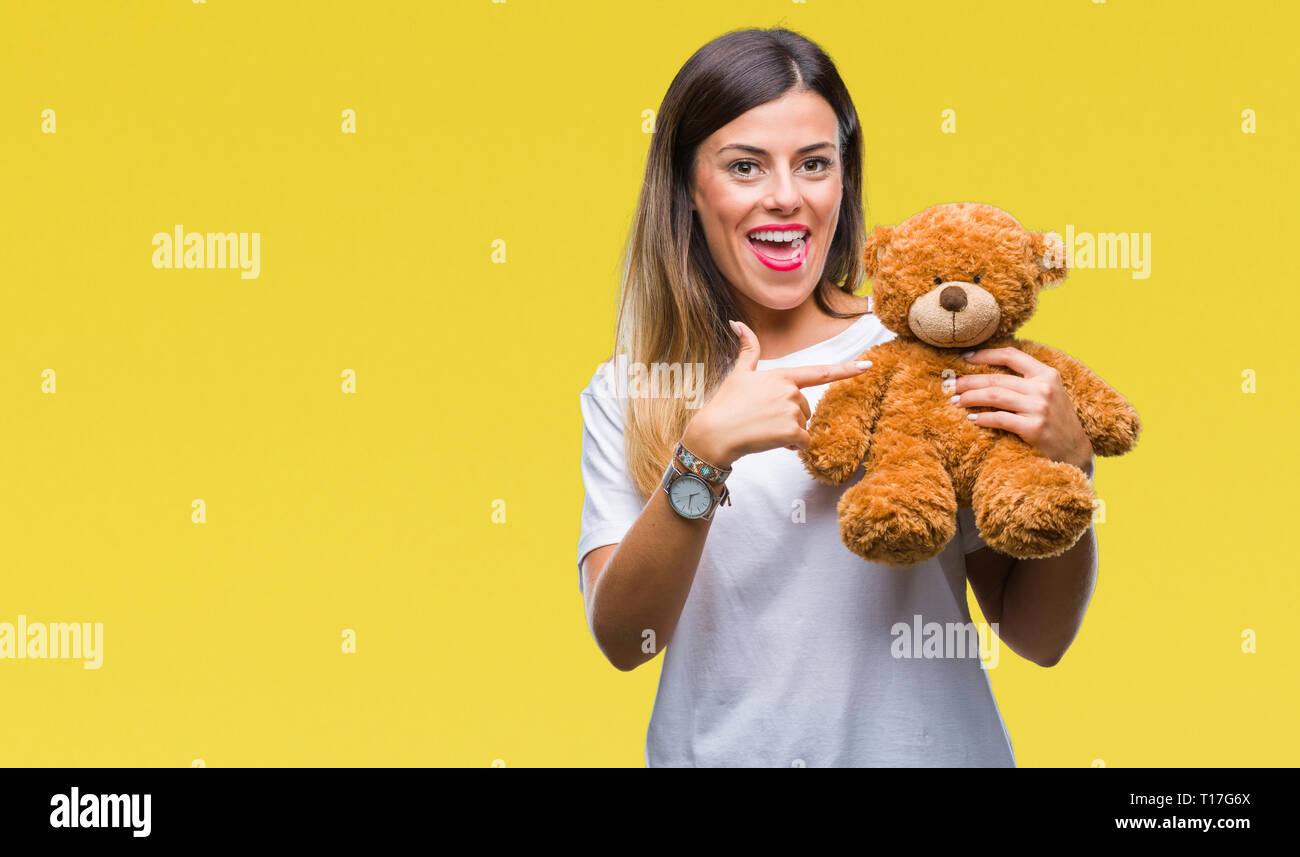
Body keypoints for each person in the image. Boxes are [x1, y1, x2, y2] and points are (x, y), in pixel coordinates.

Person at [576, 27, 1098, 767]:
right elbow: (627, 640)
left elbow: (1038, 638)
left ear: (843, 180)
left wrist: (1070, 466)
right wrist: (701, 457)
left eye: (814, 163)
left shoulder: (927, 350)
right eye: (745, 166)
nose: (786, 196)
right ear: (689, 187)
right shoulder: (634, 390)